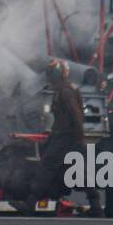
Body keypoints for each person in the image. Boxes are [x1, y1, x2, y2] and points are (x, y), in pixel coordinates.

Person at [32, 57, 84, 206]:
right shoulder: (65, 90)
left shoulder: (65, 92)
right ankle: (95, 205)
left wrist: (78, 137)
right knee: (76, 171)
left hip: (65, 137)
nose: (49, 76)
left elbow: (76, 115)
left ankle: (31, 203)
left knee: (47, 166)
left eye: (52, 73)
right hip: (66, 136)